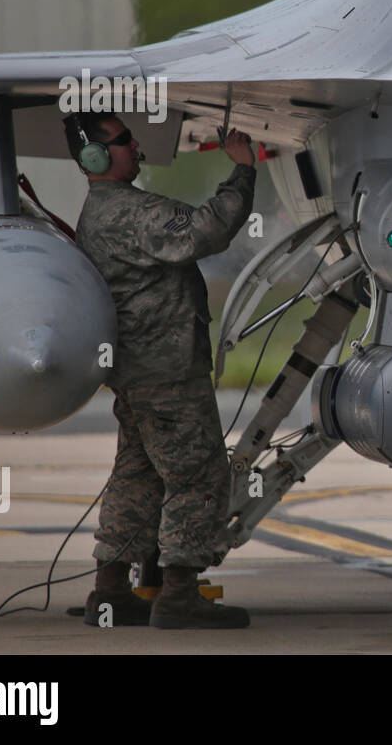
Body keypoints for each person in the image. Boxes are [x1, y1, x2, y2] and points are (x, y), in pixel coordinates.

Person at [64, 112, 256, 629]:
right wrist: (243, 170)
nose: (137, 149)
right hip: (166, 373)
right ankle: (178, 595)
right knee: (197, 476)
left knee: (138, 477)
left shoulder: (99, 212)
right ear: (96, 156)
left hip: (136, 374)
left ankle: (109, 591)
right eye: (125, 141)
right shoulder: (129, 212)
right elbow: (204, 231)